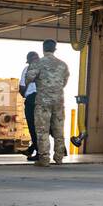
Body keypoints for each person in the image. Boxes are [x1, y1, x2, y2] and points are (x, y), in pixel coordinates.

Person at [32, 39, 70, 167]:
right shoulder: (63, 65)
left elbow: (28, 79)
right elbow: (64, 82)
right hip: (58, 101)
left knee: (43, 130)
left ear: (43, 49)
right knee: (59, 129)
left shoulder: (37, 63)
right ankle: (59, 157)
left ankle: (44, 158)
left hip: (43, 101)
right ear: (55, 49)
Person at [21, 51, 40, 160]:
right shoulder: (45, 69)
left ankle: (38, 152)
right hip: (45, 99)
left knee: (33, 127)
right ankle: (32, 149)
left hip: (32, 99)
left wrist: (25, 95)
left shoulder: (27, 69)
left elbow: (22, 87)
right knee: (45, 127)